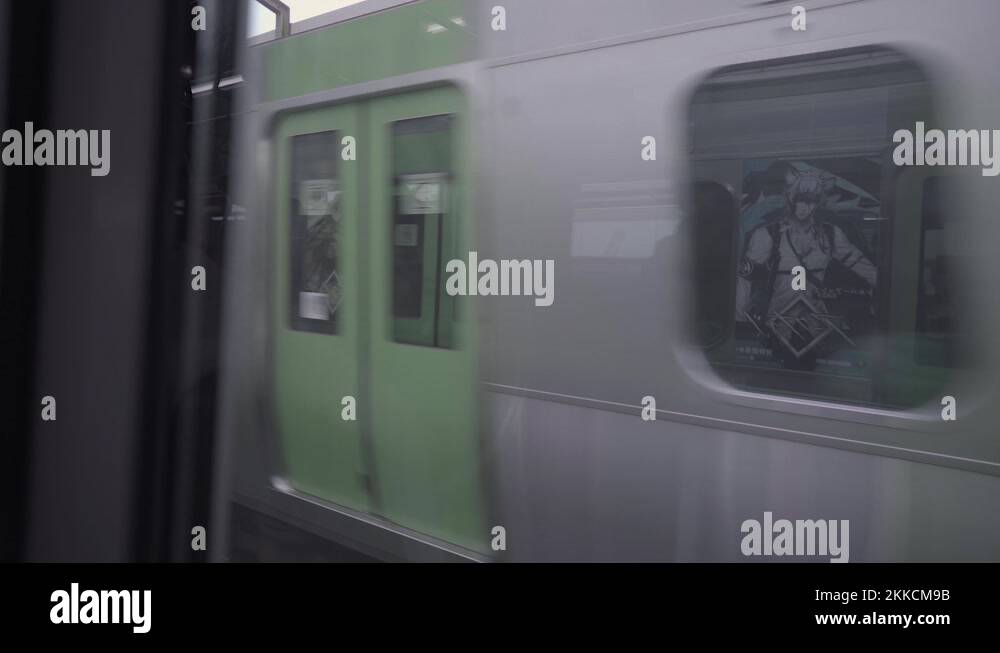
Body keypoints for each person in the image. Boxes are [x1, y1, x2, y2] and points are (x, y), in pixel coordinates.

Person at [736, 166, 877, 369]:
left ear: (817, 204)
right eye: (801, 200)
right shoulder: (769, 234)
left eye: (810, 202)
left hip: (815, 323)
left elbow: (856, 260)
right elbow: (745, 276)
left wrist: (882, 284)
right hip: (778, 322)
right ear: (791, 200)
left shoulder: (830, 234)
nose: (804, 207)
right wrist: (740, 317)